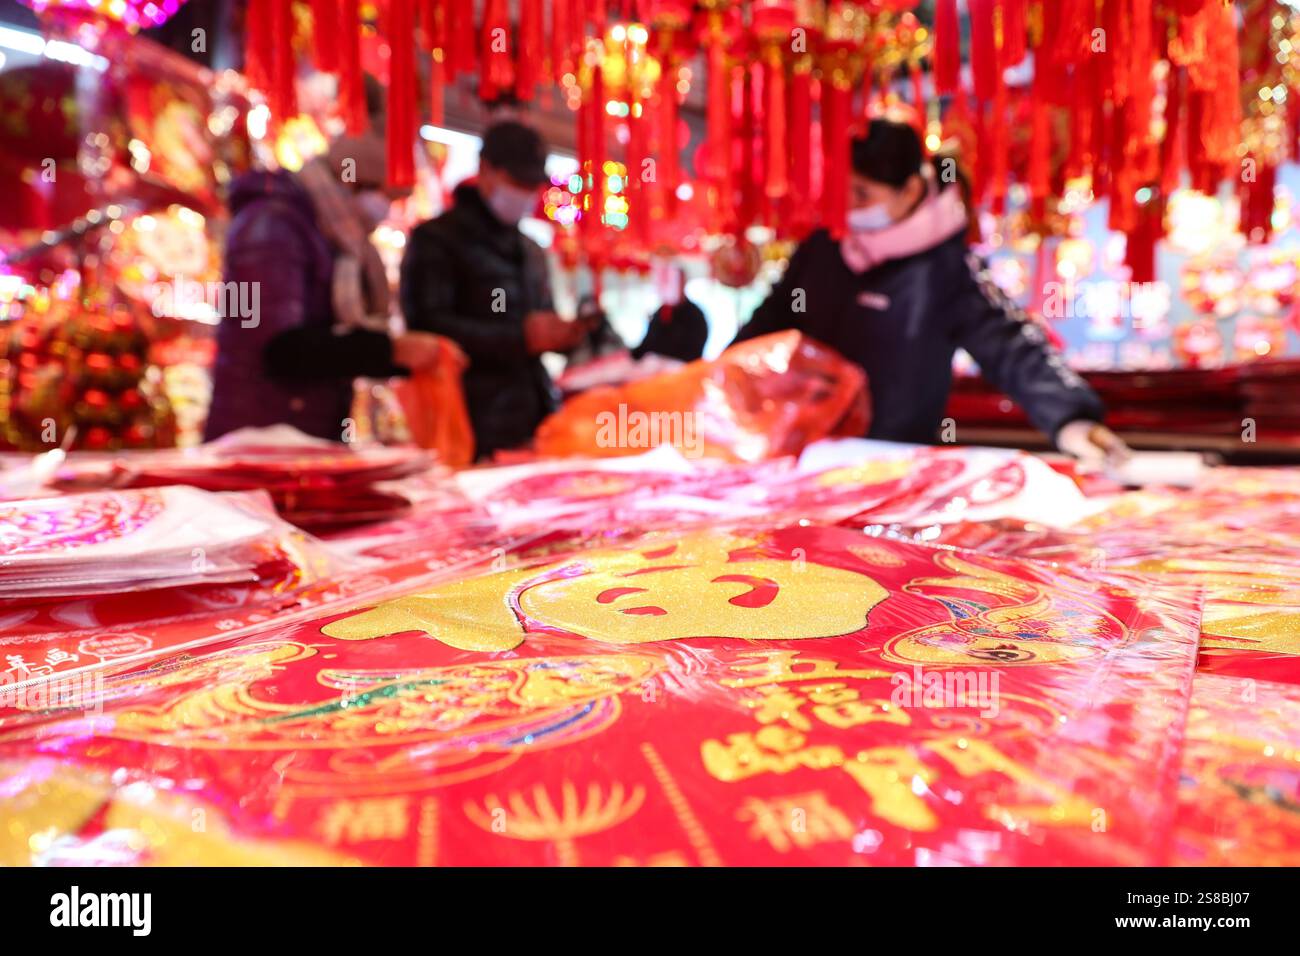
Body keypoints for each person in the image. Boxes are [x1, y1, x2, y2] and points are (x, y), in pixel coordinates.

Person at [734, 117, 1127, 468]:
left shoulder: (946, 268)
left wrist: (1071, 418)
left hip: (893, 462)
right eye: (843, 193)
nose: (850, 208)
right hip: (802, 457)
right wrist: (719, 382)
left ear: (910, 190)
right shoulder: (824, 248)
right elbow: (769, 324)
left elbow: (1008, 343)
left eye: (863, 195)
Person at [205, 79, 445, 442]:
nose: (384, 212)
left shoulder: (332, 235)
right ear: (355, 183)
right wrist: (390, 351)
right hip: (259, 439)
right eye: (387, 198)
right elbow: (278, 349)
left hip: (301, 435)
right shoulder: (273, 224)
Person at [400, 120, 588, 458]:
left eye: (532, 184)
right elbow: (427, 331)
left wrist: (565, 334)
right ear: (486, 171)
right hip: (465, 425)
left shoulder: (531, 249)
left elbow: (539, 320)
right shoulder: (437, 240)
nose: (525, 193)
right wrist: (519, 338)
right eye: (517, 182)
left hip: (535, 419)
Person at [633, 267, 709, 364]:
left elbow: (694, 354)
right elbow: (646, 345)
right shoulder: (659, 313)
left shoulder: (696, 316)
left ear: (683, 282)